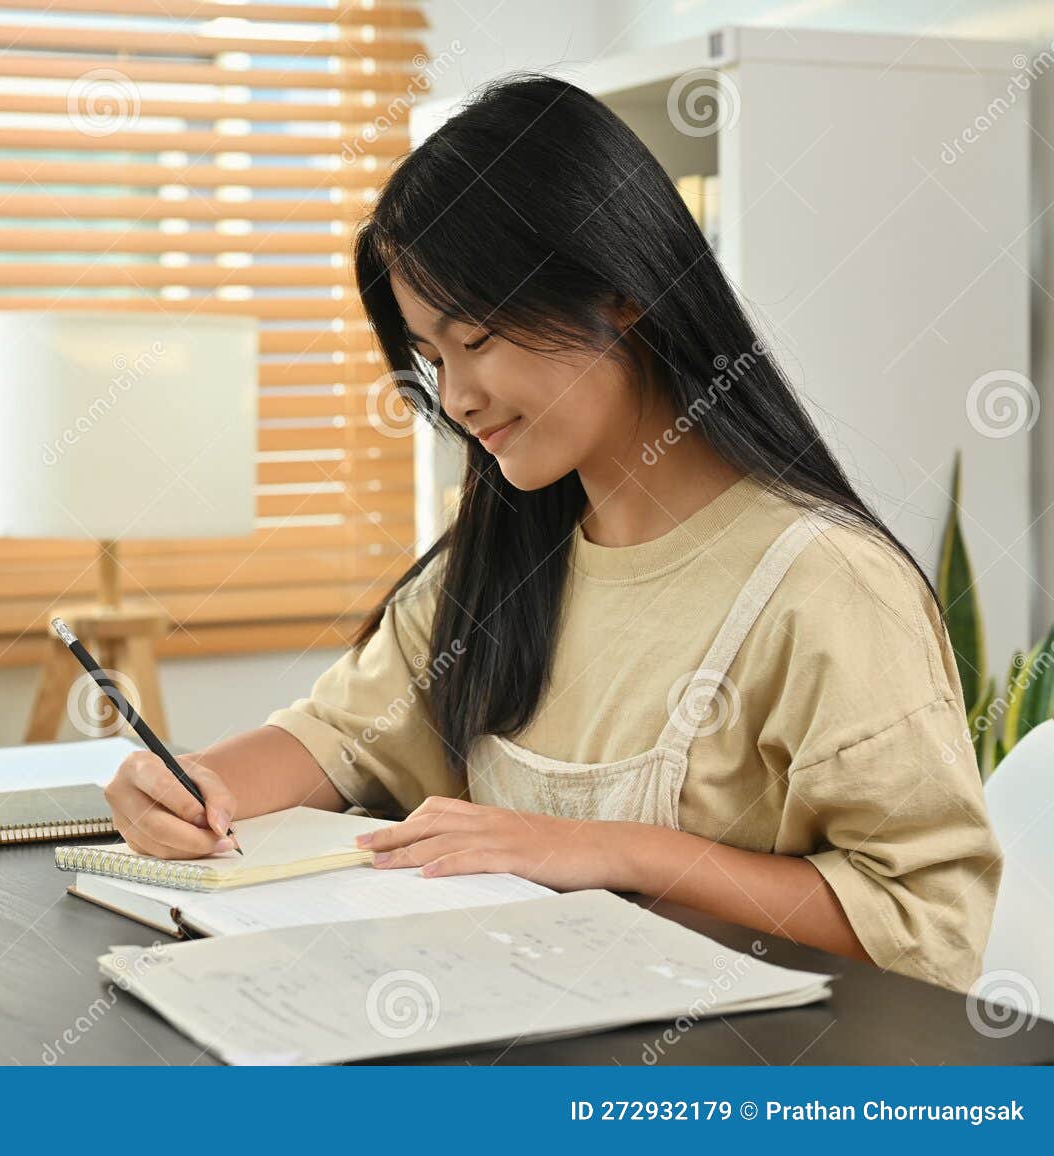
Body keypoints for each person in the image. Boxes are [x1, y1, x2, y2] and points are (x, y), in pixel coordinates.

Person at [101, 73, 1000, 995]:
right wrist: (193, 784)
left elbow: (922, 927)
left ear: (620, 292)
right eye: (431, 359)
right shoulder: (495, 560)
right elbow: (342, 736)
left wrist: (608, 852)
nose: (454, 398)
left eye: (478, 338)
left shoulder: (825, 586)